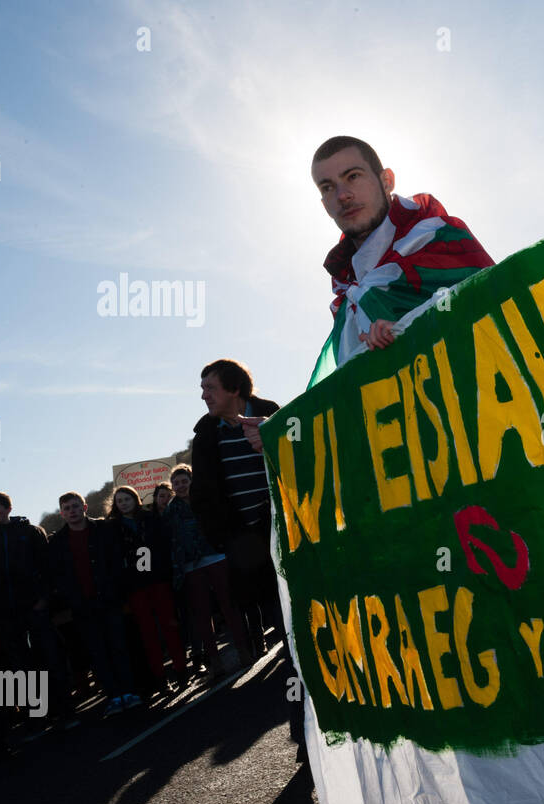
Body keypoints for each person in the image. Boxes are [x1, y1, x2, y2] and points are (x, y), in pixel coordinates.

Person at [308, 135, 495, 382]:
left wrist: (413, 328)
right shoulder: (348, 298)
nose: (342, 195)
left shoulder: (441, 239)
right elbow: (347, 397)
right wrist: (277, 421)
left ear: (387, 181)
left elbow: (499, 312)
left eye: (353, 176)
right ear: (324, 205)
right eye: (328, 187)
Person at [190, 359, 283, 655]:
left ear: (233, 388)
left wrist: (273, 439)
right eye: (202, 388)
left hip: (285, 530)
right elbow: (202, 494)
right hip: (244, 542)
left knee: (299, 599)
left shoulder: (273, 414)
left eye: (210, 387)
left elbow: (304, 456)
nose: (204, 395)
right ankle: (294, 672)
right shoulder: (206, 436)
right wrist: (222, 537)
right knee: (271, 607)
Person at [0, 492, 77, 729]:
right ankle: (37, 715)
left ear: (8, 508)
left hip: (35, 607)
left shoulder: (31, 532)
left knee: (50, 656)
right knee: (20, 665)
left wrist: (44, 599)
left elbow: (48, 568)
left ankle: (64, 709)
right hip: (6, 613)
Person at [47, 492, 141, 716]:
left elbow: (122, 557)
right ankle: (113, 696)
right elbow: (57, 575)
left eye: (75, 506)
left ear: (85, 507)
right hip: (82, 606)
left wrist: (122, 586)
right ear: (62, 512)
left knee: (119, 646)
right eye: (67, 508)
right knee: (98, 652)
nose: (72, 511)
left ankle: (128, 691)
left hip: (109, 599)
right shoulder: (58, 541)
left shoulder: (104, 529)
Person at [164, 463, 253, 675]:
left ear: (191, 480)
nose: (181, 486)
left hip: (216, 556)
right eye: (176, 483)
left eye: (184, 481)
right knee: (203, 615)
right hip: (190, 565)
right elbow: (170, 541)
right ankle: (215, 662)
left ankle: (243, 651)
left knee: (229, 606)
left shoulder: (206, 500)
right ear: (172, 486)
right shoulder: (170, 511)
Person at [109, 485, 188, 693]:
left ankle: (181, 671)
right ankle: (161, 680)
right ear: (116, 505)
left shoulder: (151, 519)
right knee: (148, 635)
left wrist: (164, 572)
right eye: (120, 501)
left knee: (170, 628)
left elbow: (164, 546)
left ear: (135, 499)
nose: (124, 503)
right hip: (135, 588)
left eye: (127, 499)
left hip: (158, 582)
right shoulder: (112, 528)